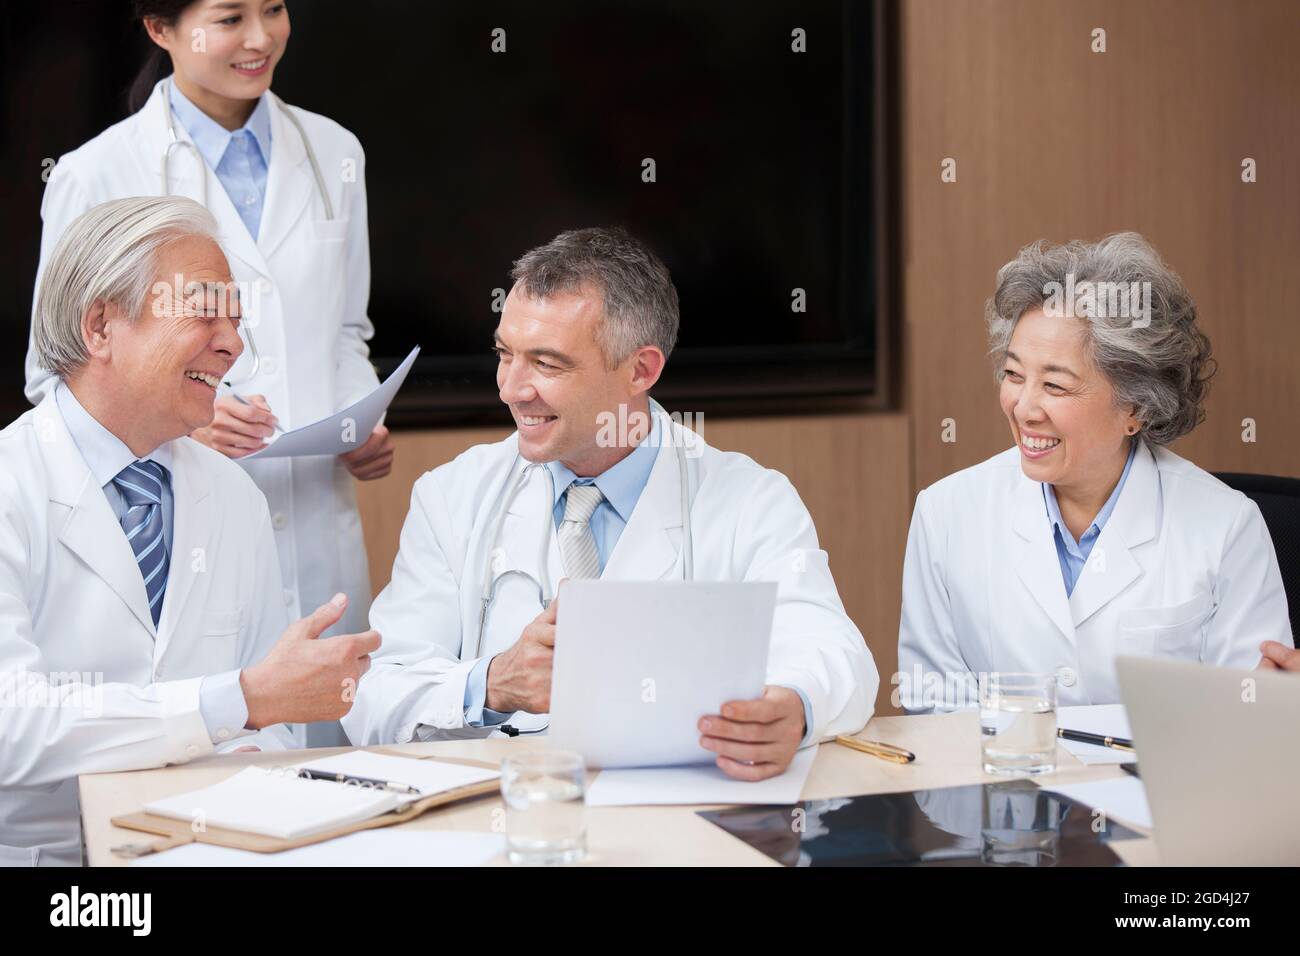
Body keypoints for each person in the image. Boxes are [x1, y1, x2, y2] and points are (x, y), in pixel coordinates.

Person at [342, 227, 877, 780]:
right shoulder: (452, 496)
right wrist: (492, 682)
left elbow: (840, 656)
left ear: (640, 370)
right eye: (505, 354)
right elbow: (370, 695)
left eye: (547, 364)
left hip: (684, 828)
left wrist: (793, 706)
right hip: (514, 828)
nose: (510, 388)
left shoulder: (749, 500)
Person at [25, 0, 393, 745]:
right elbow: (54, 364)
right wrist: (188, 413)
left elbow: (345, 328)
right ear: (160, 30)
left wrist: (359, 415)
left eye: (275, 10)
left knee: (323, 766)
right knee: (187, 746)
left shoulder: (334, 153)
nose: (260, 39)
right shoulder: (96, 172)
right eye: (229, 18)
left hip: (315, 514)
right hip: (175, 512)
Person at [1, 196, 380, 865]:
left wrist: (245, 742)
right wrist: (233, 702)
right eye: (205, 313)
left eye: (237, 321)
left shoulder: (232, 494)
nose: (232, 344)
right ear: (100, 326)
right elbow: (13, 726)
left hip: (206, 848)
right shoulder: (12, 483)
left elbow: (272, 721)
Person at [897, 233, 1292, 713]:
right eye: (1015, 375)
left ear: (1137, 406)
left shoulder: (1226, 525)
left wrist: (1276, 705)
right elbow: (933, 711)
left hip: (1155, 788)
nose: (1023, 408)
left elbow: (1250, 714)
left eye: (1055, 386)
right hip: (1002, 784)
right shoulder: (946, 513)